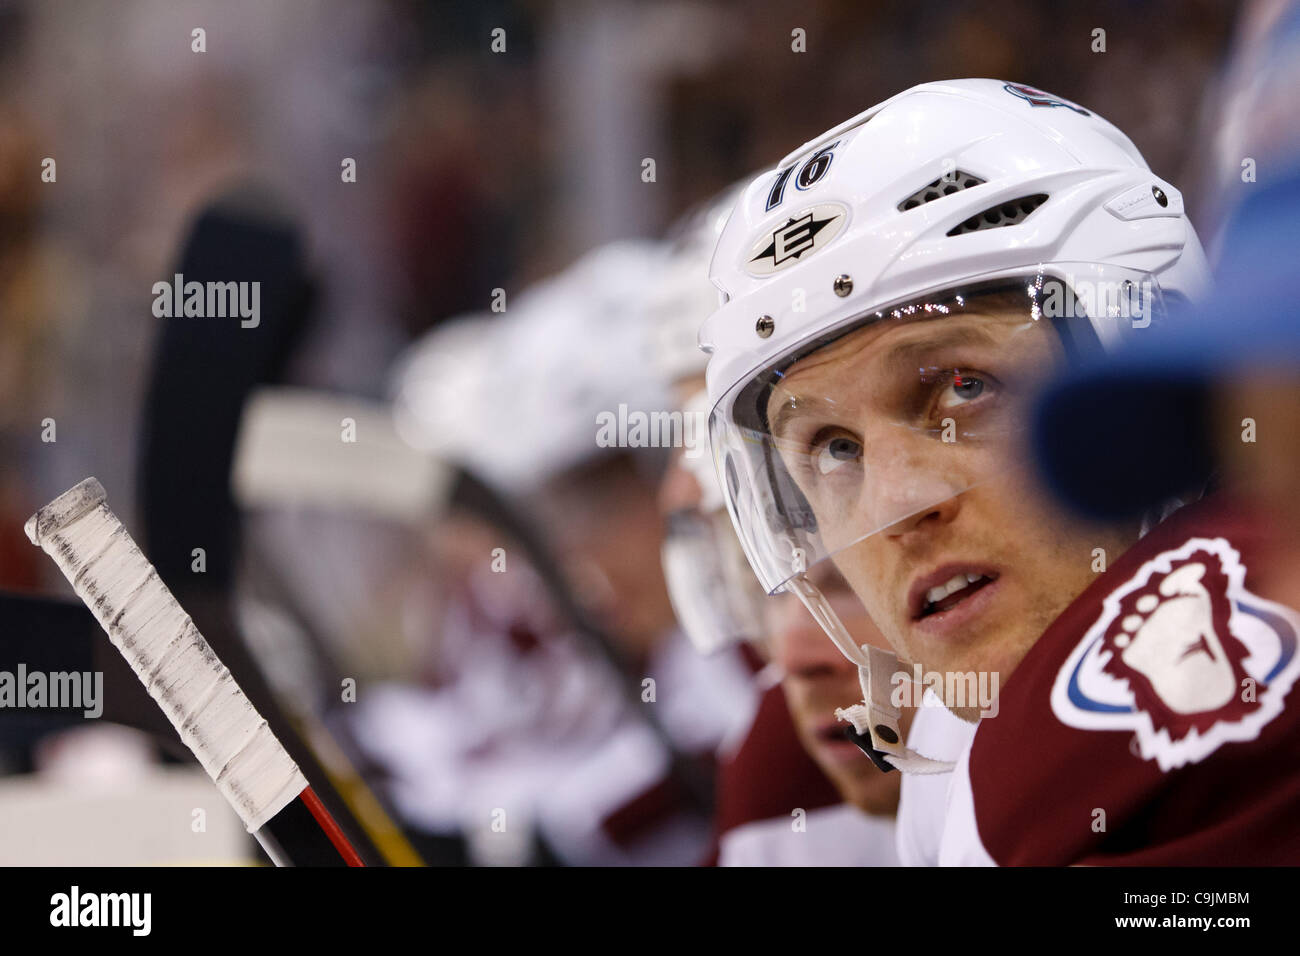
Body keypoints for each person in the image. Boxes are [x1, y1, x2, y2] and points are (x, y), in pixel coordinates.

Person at [699, 79, 1300, 864]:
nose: (896, 506)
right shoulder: (952, 758)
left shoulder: (1080, 761)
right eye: (834, 448)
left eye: (963, 387)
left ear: (1150, 344)